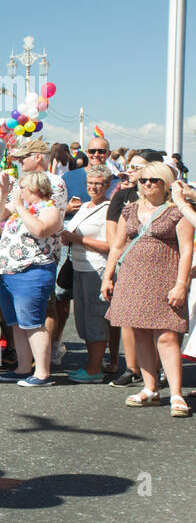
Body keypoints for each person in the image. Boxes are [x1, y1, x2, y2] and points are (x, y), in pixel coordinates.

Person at [103, 162, 191, 415]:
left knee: (167, 336)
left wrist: (181, 284)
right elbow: (118, 246)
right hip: (132, 278)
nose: (148, 184)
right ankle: (150, 388)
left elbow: (186, 252)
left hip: (166, 279)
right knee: (139, 333)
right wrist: (108, 276)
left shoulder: (177, 212)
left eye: (154, 180)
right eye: (143, 180)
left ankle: (176, 394)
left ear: (166, 184)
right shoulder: (129, 209)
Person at [0, 171, 63, 386]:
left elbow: (40, 230)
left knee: (32, 323)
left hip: (31, 271)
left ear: (34, 189)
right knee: (16, 323)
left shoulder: (50, 210)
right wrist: (4, 193)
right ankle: (23, 368)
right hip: (7, 272)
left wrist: (20, 207)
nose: (18, 191)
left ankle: (42, 372)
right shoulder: (18, 208)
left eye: (22, 187)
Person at [104, 149, 165, 385]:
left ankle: (159, 368)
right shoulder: (123, 197)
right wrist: (114, 266)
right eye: (130, 166)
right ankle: (133, 369)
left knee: (161, 322)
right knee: (129, 319)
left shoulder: (171, 201)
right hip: (129, 264)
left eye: (137, 167)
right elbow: (114, 235)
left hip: (161, 266)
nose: (131, 170)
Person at [61, 164, 112, 382]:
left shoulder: (109, 208)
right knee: (83, 319)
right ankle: (92, 364)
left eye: (98, 184)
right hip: (80, 266)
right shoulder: (86, 206)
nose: (93, 187)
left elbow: (109, 245)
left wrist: (76, 239)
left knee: (95, 320)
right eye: (90, 183)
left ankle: (94, 369)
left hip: (97, 268)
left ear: (108, 185)